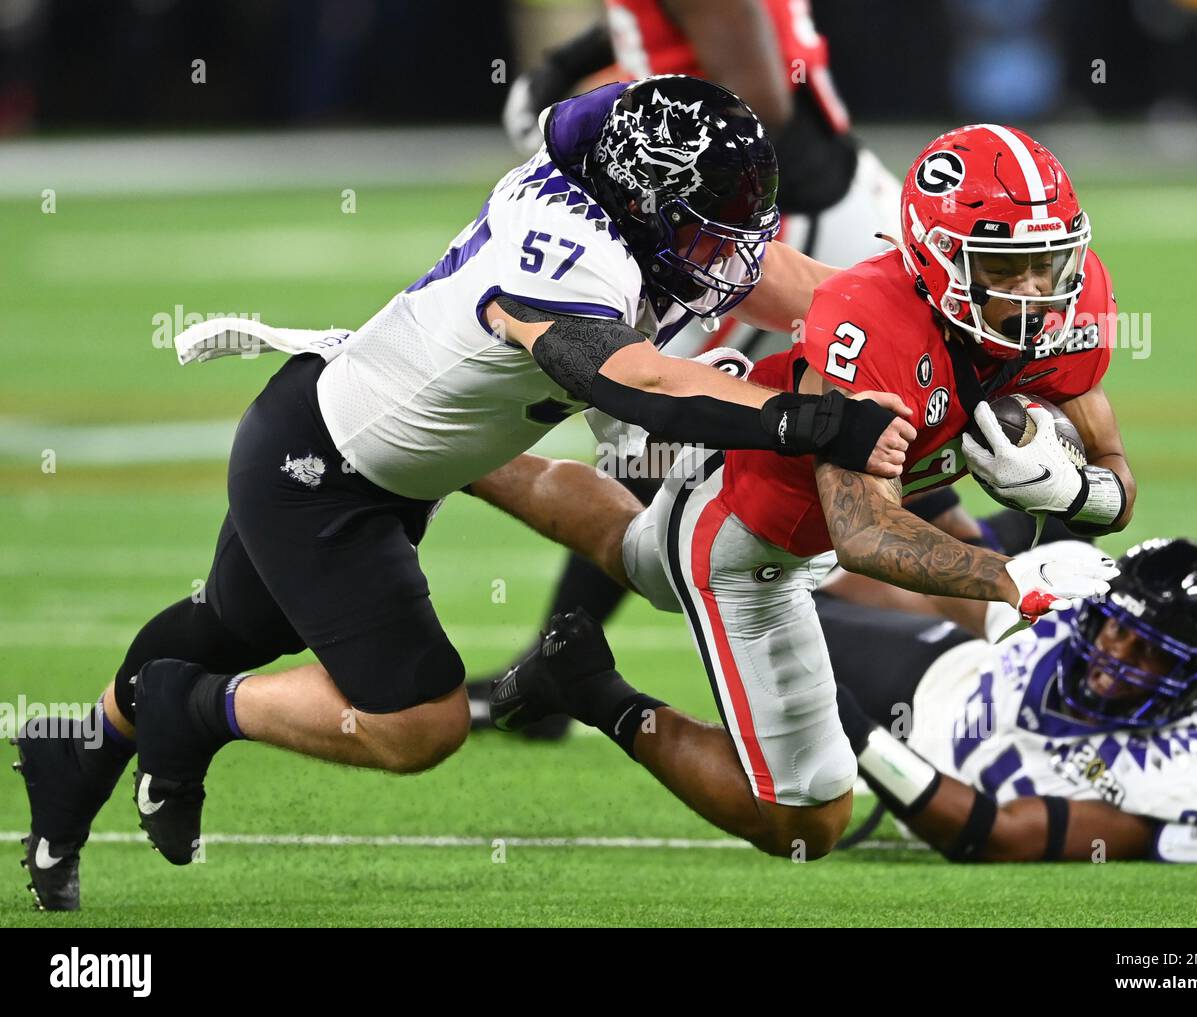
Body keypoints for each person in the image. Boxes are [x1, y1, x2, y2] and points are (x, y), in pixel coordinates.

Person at [13, 75, 918, 911]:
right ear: (643, 204)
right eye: (701, 227)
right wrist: (811, 421)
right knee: (422, 720)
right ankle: (191, 708)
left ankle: (74, 755)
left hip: (365, 424)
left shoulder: (617, 180)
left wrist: (919, 323)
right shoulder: (568, 261)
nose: (726, 250)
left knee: (234, 625)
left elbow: (780, 281)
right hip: (324, 475)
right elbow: (643, 384)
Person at [488, 123, 1137, 859]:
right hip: (748, 531)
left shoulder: (1064, 307)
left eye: (1046, 263)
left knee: (630, 546)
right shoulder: (876, 325)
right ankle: (592, 687)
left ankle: (466, 463)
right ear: (941, 258)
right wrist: (1011, 576)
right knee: (809, 821)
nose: (1034, 292)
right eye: (1003, 266)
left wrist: (1089, 494)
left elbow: (1109, 451)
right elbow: (865, 533)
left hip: (827, 507)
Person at [469, 0, 907, 726]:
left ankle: (963, 639)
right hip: (797, 204)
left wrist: (614, 123)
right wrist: (572, 65)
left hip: (772, 217)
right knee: (672, 443)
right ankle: (554, 668)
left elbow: (758, 101)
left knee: (654, 421)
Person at [824, 538, 1197, 864]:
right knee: (784, 631)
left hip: (940, 792)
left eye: (1151, 651)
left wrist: (859, 735)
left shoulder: (1183, 776)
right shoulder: (1070, 586)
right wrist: (826, 586)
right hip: (936, 677)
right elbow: (942, 589)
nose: (1118, 655)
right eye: (1117, 629)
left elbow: (999, 837)